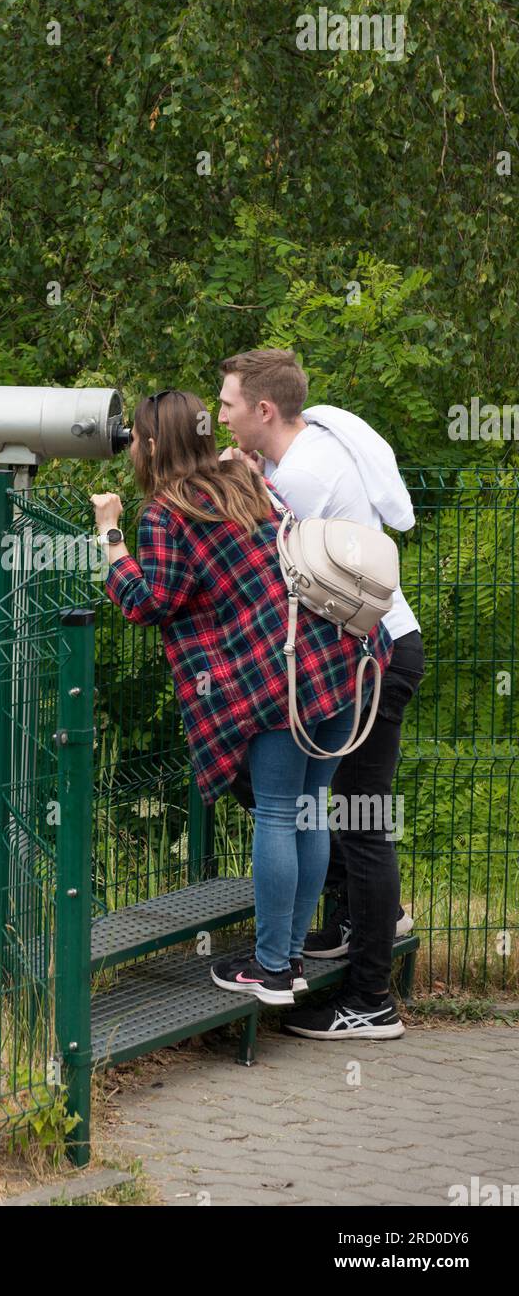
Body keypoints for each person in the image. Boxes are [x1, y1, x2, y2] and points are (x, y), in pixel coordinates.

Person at [92, 388, 392, 1008]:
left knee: (281, 813)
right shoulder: (246, 482)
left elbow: (151, 603)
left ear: (151, 446)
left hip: (281, 682)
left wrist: (112, 536)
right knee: (309, 807)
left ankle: (274, 967)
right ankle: (289, 956)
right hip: (342, 664)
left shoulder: (166, 513)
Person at [217, 347, 425, 1039]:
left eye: (228, 405)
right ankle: (354, 916)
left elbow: (247, 558)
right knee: (312, 806)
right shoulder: (308, 450)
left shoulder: (300, 475)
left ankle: (371, 999)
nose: (220, 416)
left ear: (263, 410)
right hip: (369, 649)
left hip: (370, 657)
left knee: (359, 823)